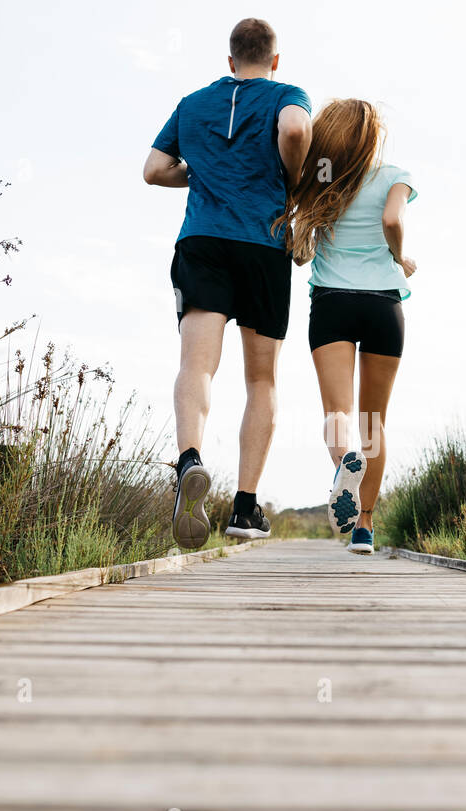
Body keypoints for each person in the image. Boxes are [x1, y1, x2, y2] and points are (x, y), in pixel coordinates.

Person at [143, 18, 312, 548]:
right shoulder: (289, 92)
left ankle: (189, 459)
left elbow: (153, 169)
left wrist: (204, 171)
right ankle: (244, 507)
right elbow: (294, 131)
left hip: (203, 242)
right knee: (261, 380)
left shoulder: (192, 104)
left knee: (196, 364)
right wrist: (294, 180)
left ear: (230, 60)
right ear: (275, 58)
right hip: (263, 245)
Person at [275, 99, 416, 556]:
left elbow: (299, 254)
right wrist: (399, 256)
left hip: (333, 302)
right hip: (383, 306)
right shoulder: (396, 175)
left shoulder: (321, 176)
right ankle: (365, 528)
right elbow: (392, 220)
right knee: (373, 422)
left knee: (338, 414)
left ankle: (343, 466)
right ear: (372, 137)